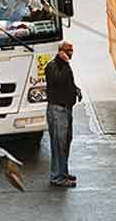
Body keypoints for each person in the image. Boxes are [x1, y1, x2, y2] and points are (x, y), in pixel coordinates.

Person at [45, 40, 81, 188]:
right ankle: (57, 177)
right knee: (58, 144)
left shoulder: (64, 66)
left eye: (71, 50)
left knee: (65, 142)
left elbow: (67, 83)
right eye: (68, 51)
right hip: (57, 111)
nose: (70, 53)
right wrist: (65, 63)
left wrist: (76, 90)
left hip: (66, 109)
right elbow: (59, 80)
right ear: (61, 51)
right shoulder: (53, 66)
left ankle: (63, 172)